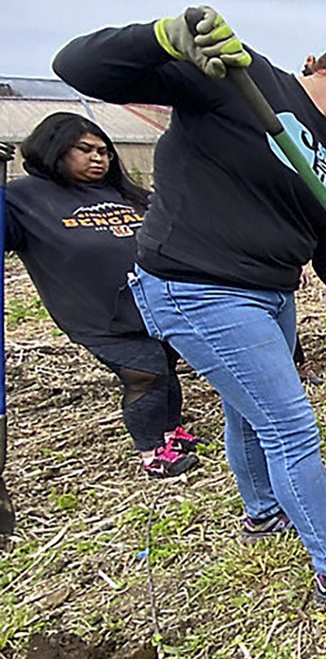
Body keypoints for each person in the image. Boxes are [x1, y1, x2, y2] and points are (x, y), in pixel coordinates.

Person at [54, 6, 326, 615]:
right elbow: (76, 66)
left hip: (272, 294)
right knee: (289, 423)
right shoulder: (244, 79)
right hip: (196, 285)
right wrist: (162, 38)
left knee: (249, 408)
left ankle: (262, 510)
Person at [5, 112, 202, 479]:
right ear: (55, 147)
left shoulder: (121, 193)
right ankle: (152, 453)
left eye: (104, 151)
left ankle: (169, 431)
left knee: (164, 366)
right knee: (144, 375)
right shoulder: (23, 199)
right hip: (99, 315)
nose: (99, 158)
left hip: (152, 303)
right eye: (85, 150)